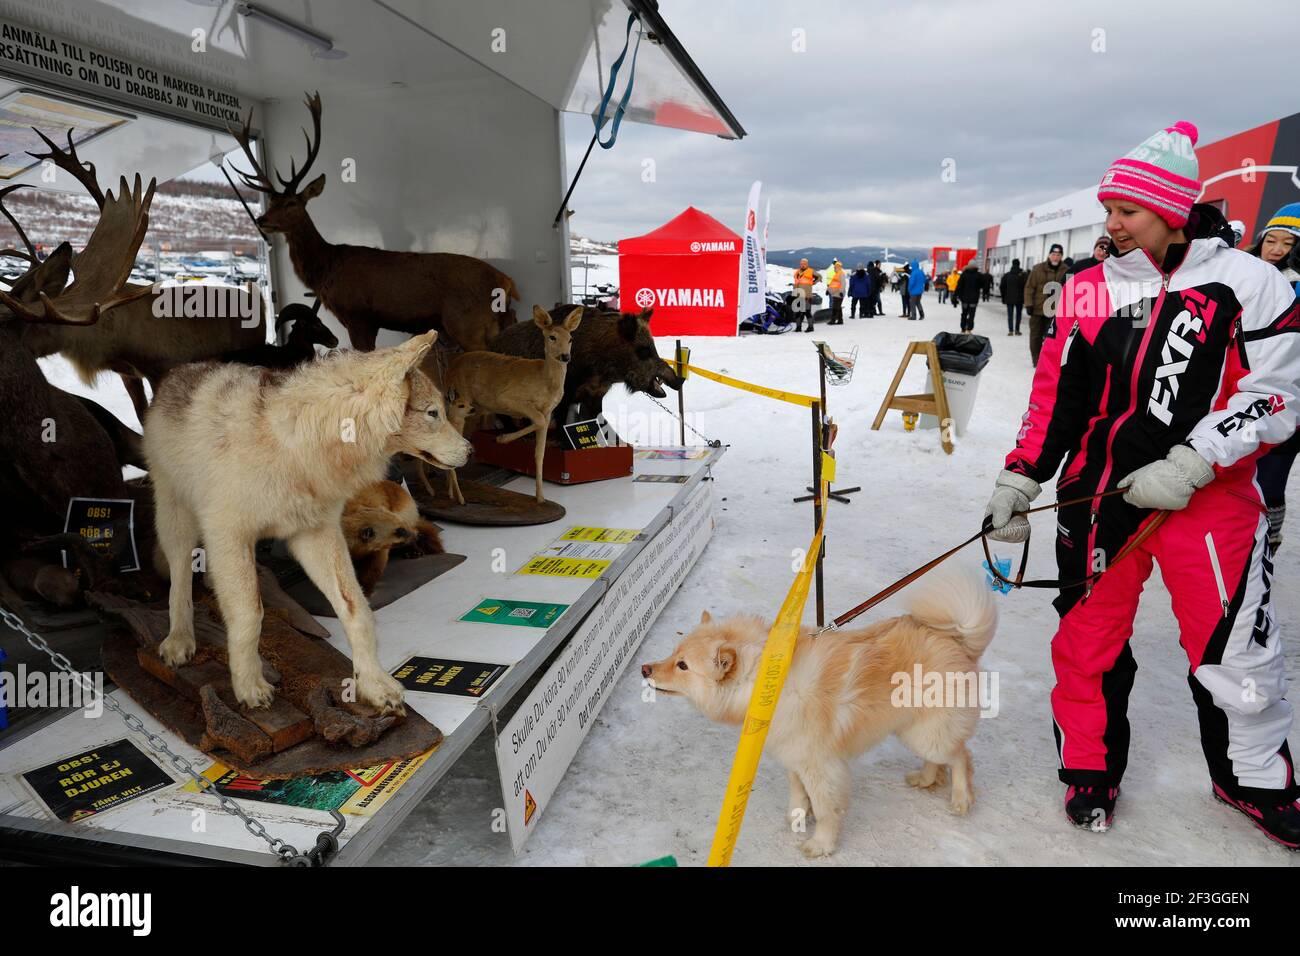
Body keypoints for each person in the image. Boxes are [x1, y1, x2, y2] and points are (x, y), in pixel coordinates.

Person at [983, 121, 1300, 844]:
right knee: (1086, 644)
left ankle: (1252, 778)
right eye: (1108, 209)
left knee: (1235, 651)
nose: (1111, 223)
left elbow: (1279, 391)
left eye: (1126, 211)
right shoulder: (1088, 289)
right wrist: (1020, 478)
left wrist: (1194, 461)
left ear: (1170, 212)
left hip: (1209, 500)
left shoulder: (1249, 281)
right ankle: (1089, 771)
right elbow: (1053, 400)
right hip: (1098, 499)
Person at [1247, 203, 1300, 548]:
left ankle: (1269, 538)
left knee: (1271, 476)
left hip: (1287, 400)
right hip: (1241, 393)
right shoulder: (1243, 276)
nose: (1277, 250)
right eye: (1271, 240)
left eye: (1288, 243)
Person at [1024, 242, 1067, 364]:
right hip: (1037, 309)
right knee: (1035, 336)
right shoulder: (1038, 269)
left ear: (1061, 256)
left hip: (1055, 311)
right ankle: (1036, 360)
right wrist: (1028, 304)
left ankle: (1048, 361)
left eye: (1058, 254)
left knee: (1052, 338)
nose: (1056, 257)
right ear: (1049, 255)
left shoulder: (1067, 270)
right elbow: (1029, 287)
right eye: (1053, 254)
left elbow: (1070, 290)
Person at [1000, 257, 1027, 335]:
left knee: (1010, 315)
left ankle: (1010, 330)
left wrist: (1003, 297)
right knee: (1018, 315)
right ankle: (1017, 330)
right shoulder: (1023, 275)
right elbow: (1026, 287)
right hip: (1019, 299)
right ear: (1019, 264)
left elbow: (1002, 287)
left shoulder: (1007, 275)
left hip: (1009, 298)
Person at [792, 258, 818, 332]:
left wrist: (813, 282)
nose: (803, 265)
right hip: (798, 294)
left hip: (807, 295)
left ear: (807, 264)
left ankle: (810, 327)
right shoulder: (797, 272)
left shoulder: (811, 271)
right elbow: (796, 282)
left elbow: (819, 277)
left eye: (804, 264)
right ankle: (798, 327)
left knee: (807, 311)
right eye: (801, 264)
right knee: (798, 312)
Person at [954, 260, 981, 331]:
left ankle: (963, 328)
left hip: (964, 298)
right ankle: (969, 328)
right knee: (972, 314)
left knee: (964, 313)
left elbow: (959, 286)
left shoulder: (964, 275)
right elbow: (982, 285)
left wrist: (956, 295)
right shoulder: (978, 275)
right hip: (974, 299)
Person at [826, 259, 846, 325]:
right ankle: (840, 320)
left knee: (835, 307)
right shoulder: (836, 274)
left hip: (839, 293)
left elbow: (843, 284)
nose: (834, 268)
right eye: (834, 267)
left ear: (838, 267)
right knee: (838, 307)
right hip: (835, 293)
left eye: (835, 267)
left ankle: (833, 320)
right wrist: (828, 290)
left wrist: (841, 291)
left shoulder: (841, 274)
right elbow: (832, 283)